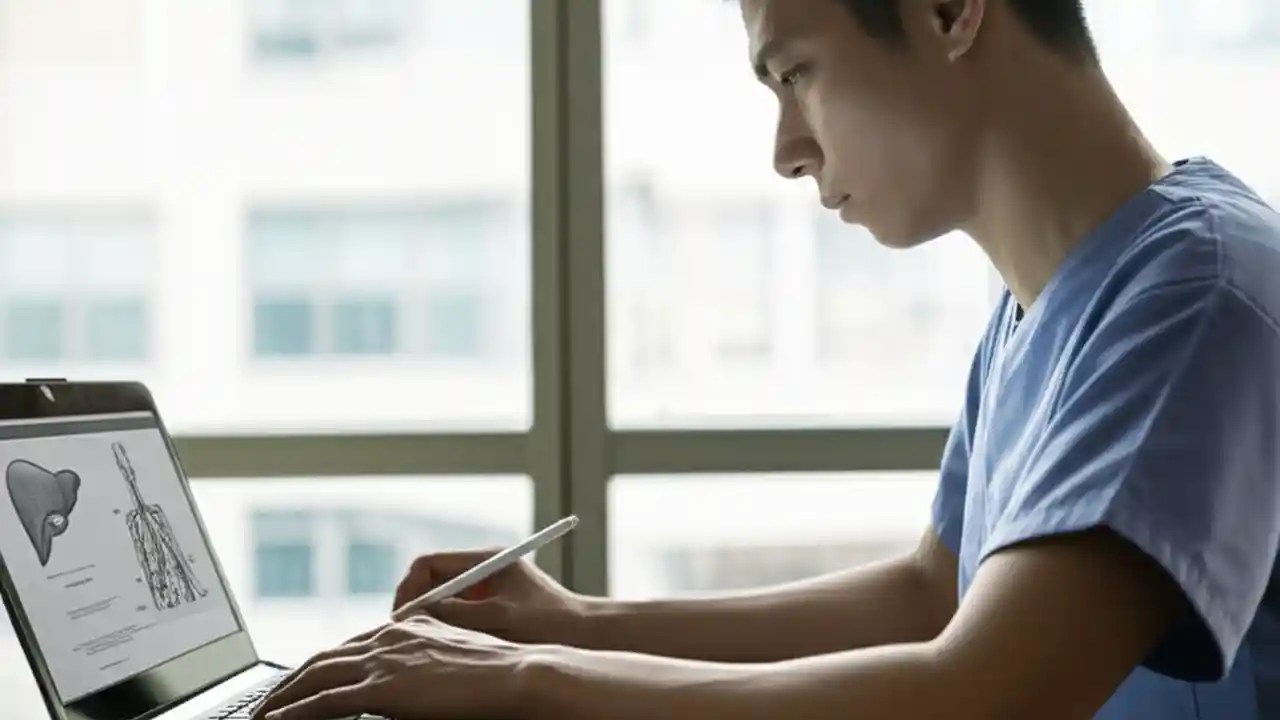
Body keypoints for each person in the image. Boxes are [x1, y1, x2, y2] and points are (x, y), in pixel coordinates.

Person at [253, 0, 1280, 718]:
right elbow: (933, 594)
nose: (786, 148)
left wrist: (520, 682)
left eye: (795, 71)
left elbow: (981, 692)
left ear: (947, 9)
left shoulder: (1194, 296)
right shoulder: (1042, 302)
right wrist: (579, 626)